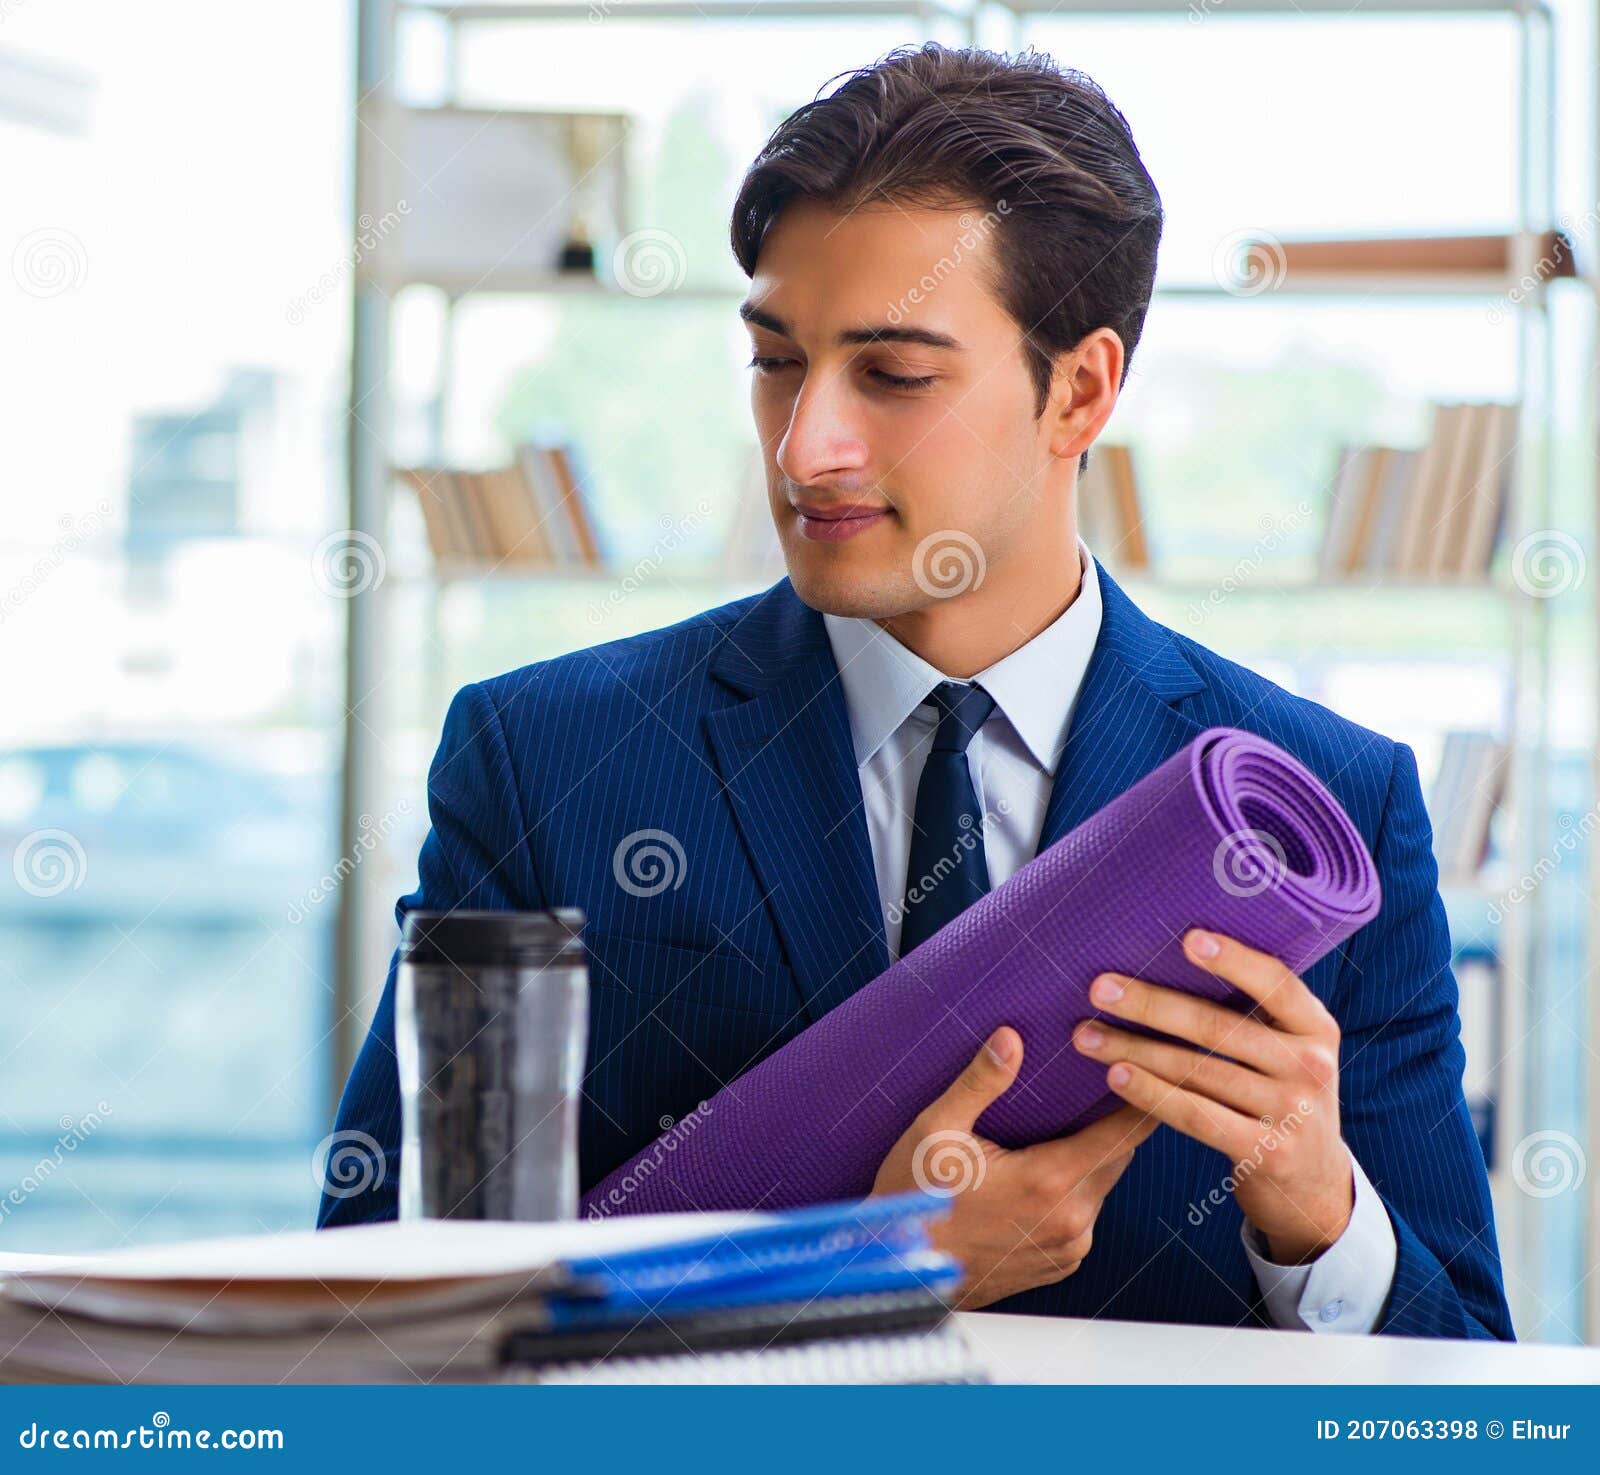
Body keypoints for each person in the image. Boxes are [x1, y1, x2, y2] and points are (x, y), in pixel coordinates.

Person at [319, 42, 1512, 1340]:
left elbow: (1470, 1390)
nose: (804, 447)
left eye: (892, 376)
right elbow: (366, 1310)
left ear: (1081, 392)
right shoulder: (547, 757)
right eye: (778, 360)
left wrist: (1322, 1220)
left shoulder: (1326, 809)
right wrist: (853, 1271)